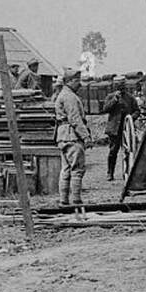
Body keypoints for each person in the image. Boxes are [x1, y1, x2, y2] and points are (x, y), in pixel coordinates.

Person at [53, 69, 91, 206]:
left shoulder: (63, 94)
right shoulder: (69, 97)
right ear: (70, 81)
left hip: (63, 136)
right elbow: (75, 119)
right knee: (77, 169)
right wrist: (85, 136)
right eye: (77, 81)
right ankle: (76, 200)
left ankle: (64, 200)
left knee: (66, 169)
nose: (79, 84)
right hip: (72, 136)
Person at [102, 77, 139, 181]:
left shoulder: (130, 98)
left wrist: (132, 117)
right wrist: (115, 99)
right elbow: (105, 109)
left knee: (129, 152)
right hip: (114, 129)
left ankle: (127, 172)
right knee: (113, 151)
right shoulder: (110, 97)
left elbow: (137, 111)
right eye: (118, 85)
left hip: (127, 129)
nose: (121, 87)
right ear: (115, 86)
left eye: (122, 85)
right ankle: (110, 172)